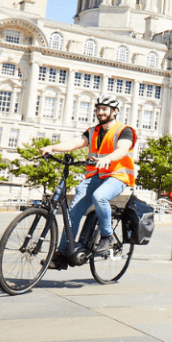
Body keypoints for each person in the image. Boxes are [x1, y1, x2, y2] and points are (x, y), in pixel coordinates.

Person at [40, 95, 137, 263]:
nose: (100, 112)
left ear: (115, 111)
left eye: (105, 109)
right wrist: (52, 147)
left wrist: (109, 158)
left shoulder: (124, 130)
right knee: (73, 211)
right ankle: (63, 253)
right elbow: (73, 143)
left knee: (100, 196)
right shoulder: (93, 131)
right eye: (98, 109)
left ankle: (107, 236)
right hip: (95, 176)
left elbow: (122, 149)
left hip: (118, 175)